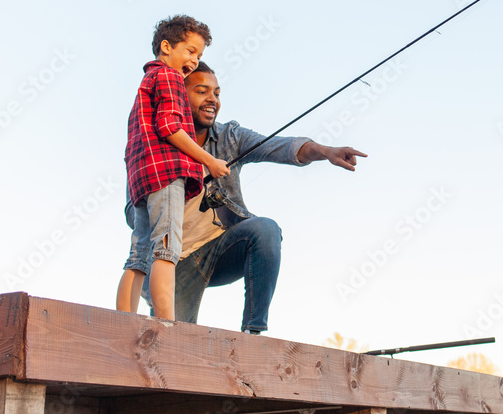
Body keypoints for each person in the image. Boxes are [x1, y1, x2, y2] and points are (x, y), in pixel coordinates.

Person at [130, 61, 366, 334]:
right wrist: (172, 194)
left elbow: (280, 147)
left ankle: (253, 334)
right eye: (202, 91)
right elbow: (132, 214)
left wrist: (325, 151)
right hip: (174, 262)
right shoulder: (150, 144)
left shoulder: (230, 137)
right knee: (170, 340)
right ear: (178, 96)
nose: (212, 100)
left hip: (221, 248)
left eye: (217, 93)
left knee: (265, 229)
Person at [116, 16, 230, 321]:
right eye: (191, 51)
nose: (194, 61)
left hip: (141, 178)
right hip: (165, 172)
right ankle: (166, 324)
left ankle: (122, 322)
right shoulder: (169, 78)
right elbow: (169, 127)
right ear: (166, 47)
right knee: (167, 246)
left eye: (199, 56)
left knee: (138, 255)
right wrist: (209, 161)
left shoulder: (146, 82)